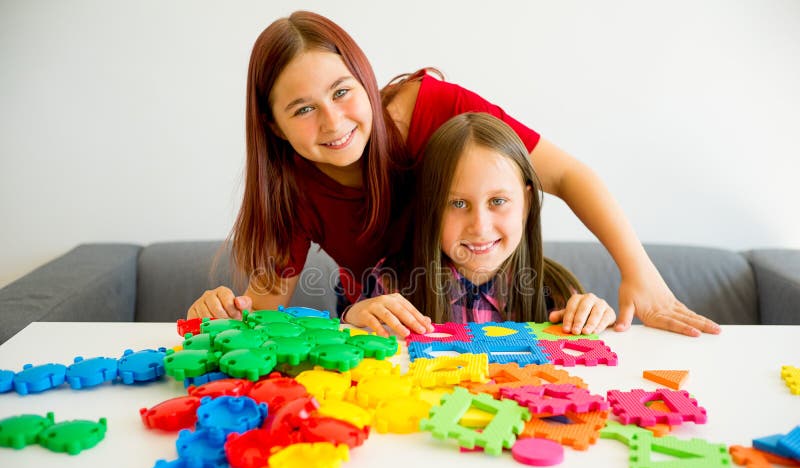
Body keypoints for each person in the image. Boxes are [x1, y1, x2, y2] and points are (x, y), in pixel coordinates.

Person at [187, 10, 721, 338]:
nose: (333, 122)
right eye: (302, 110)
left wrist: (639, 274)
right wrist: (224, 313)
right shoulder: (290, 192)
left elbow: (564, 174)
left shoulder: (433, 111)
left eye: (343, 92)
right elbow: (260, 320)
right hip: (395, 329)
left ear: (367, 83)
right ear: (274, 127)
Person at [343, 113, 616, 337]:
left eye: (498, 201)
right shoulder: (392, 283)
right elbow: (353, 346)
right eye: (458, 204)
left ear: (526, 203)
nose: (480, 226)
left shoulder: (555, 291)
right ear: (430, 209)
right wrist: (351, 318)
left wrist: (594, 316)